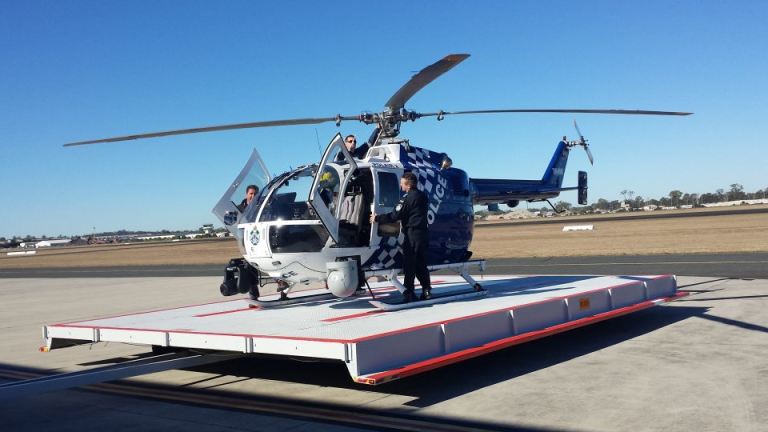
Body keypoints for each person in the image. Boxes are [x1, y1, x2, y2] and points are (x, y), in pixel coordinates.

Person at [370, 172, 431, 302]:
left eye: (402, 183)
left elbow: (394, 216)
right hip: (423, 234)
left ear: (408, 185)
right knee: (421, 263)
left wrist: (377, 218)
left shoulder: (407, 198)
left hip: (412, 235)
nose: (400, 185)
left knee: (409, 264)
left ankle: (409, 292)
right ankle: (427, 290)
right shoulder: (423, 196)